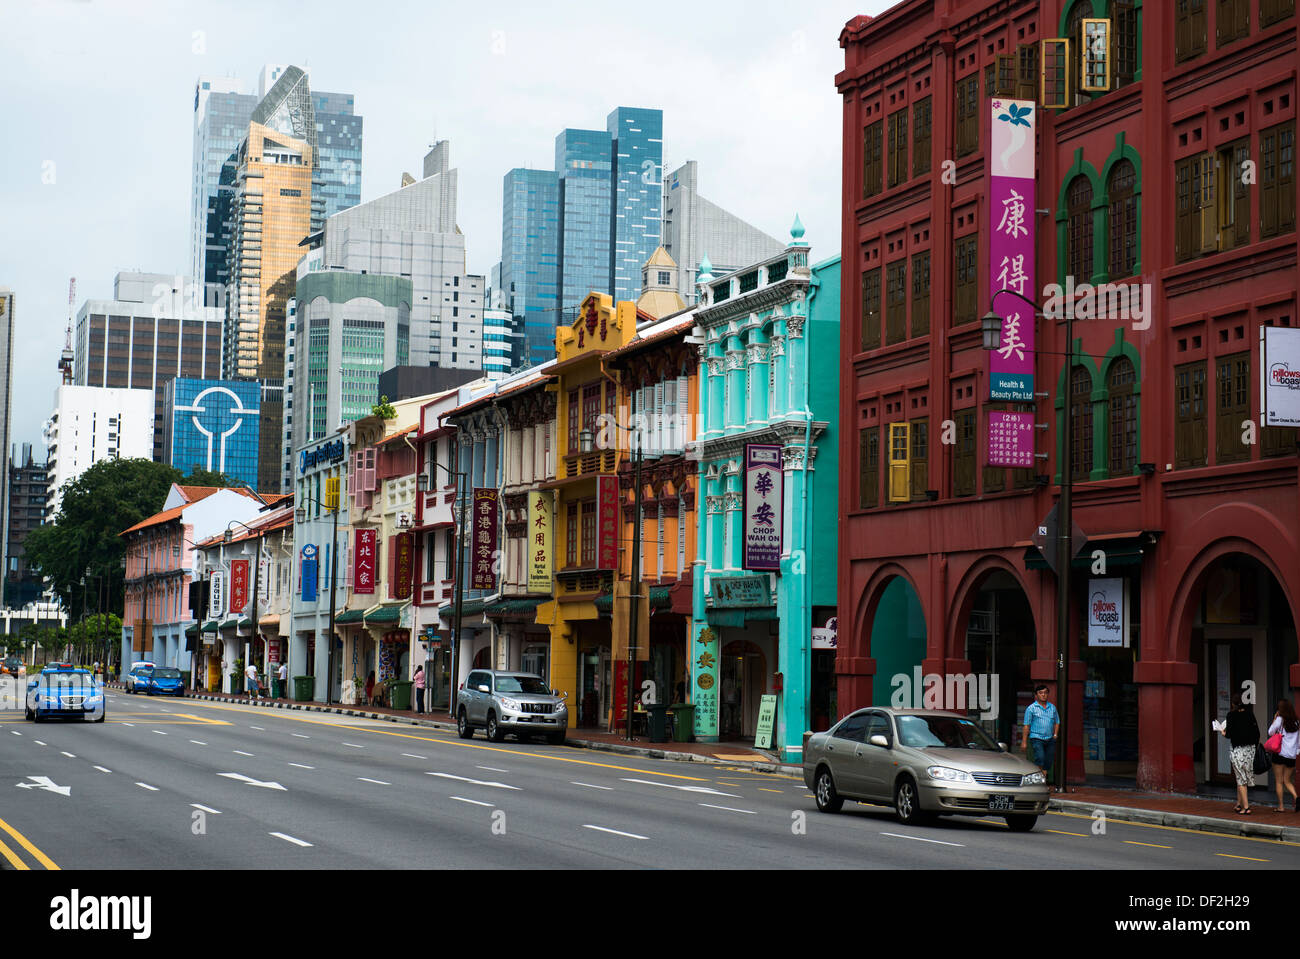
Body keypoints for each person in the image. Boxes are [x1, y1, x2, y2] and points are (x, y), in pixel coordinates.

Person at [1217, 695, 1260, 814]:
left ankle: (1246, 807)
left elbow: (1229, 734)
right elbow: (1257, 732)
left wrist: (1222, 732)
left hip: (1238, 750)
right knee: (1242, 777)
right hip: (1250, 749)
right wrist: (1254, 747)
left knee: (1241, 779)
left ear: (1232, 704)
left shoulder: (1231, 715)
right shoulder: (1249, 713)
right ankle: (1238, 804)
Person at [1022, 684, 1061, 787]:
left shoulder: (1052, 707)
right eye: (1041, 693)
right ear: (1036, 695)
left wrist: (1055, 734)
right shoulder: (1031, 708)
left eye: (1045, 693)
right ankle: (1041, 780)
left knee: (1048, 761)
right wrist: (1024, 742)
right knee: (1040, 758)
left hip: (1050, 738)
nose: (1043, 695)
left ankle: (1042, 779)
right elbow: (1026, 725)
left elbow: (1057, 721)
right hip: (1036, 738)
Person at [1267, 699, 1300, 813]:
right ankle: (1297, 798)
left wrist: (1275, 719)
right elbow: (1298, 741)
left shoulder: (1280, 720)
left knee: (1279, 781)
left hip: (1280, 754)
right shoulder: (1296, 722)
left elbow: (1270, 732)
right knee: (1287, 781)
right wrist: (1296, 752)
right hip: (1291, 756)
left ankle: (1281, 806)